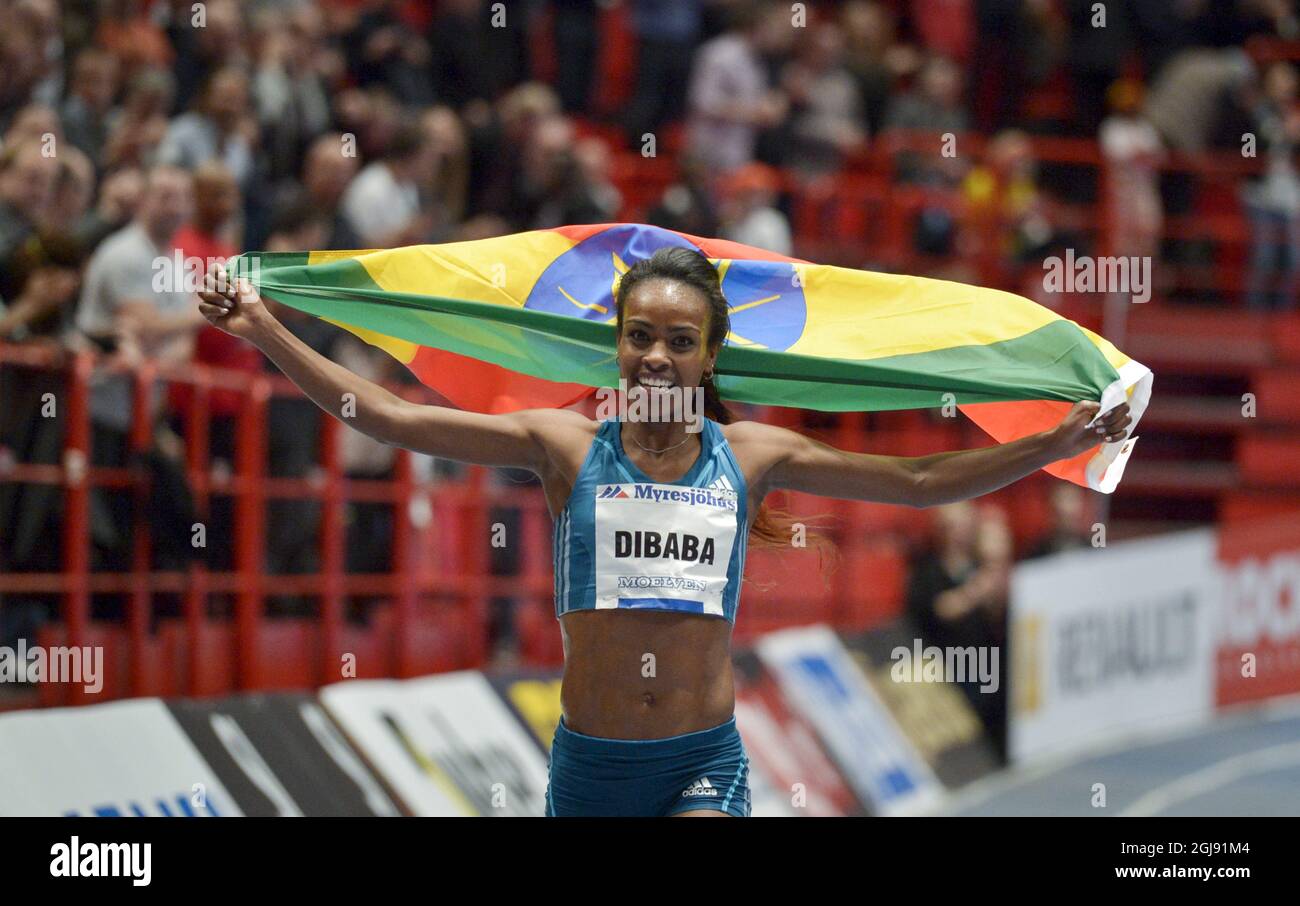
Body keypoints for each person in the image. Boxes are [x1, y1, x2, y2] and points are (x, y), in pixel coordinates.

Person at [196, 247, 1132, 817]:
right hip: (591, 767)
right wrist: (267, 330)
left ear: (710, 354)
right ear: (617, 342)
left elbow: (922, 480)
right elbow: (388, 419)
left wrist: (1057, 442)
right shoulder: (561, 444)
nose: (656, 356)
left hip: (703, 759)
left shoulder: (753, 454)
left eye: (679, 342)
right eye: (640, 335)